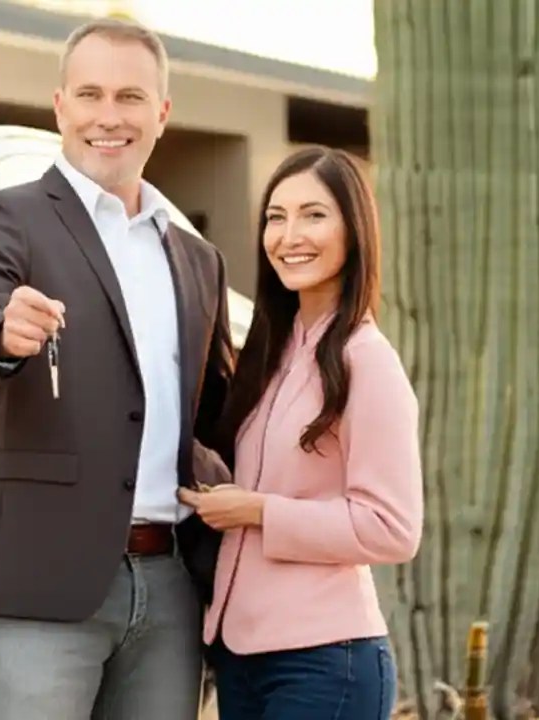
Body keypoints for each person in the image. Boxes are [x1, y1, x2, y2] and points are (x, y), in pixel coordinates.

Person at [0, 17, 235, 720]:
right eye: (89, 94)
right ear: (60, 105)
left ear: (161, 113)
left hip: (170, 587)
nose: (108, 116)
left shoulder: (196, 258)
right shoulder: (6, 218)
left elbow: (221, 411)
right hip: (39, 584)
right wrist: (2, 333)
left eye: (130, 97)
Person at [177, 146, 424, 719]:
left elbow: (393, 528)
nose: (290, 235)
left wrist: (259, 511)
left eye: (314, 215)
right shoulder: (271, 355)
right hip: (241, 658)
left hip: (325, 662)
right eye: (276, 216)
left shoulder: (368, 361)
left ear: (353, 230)